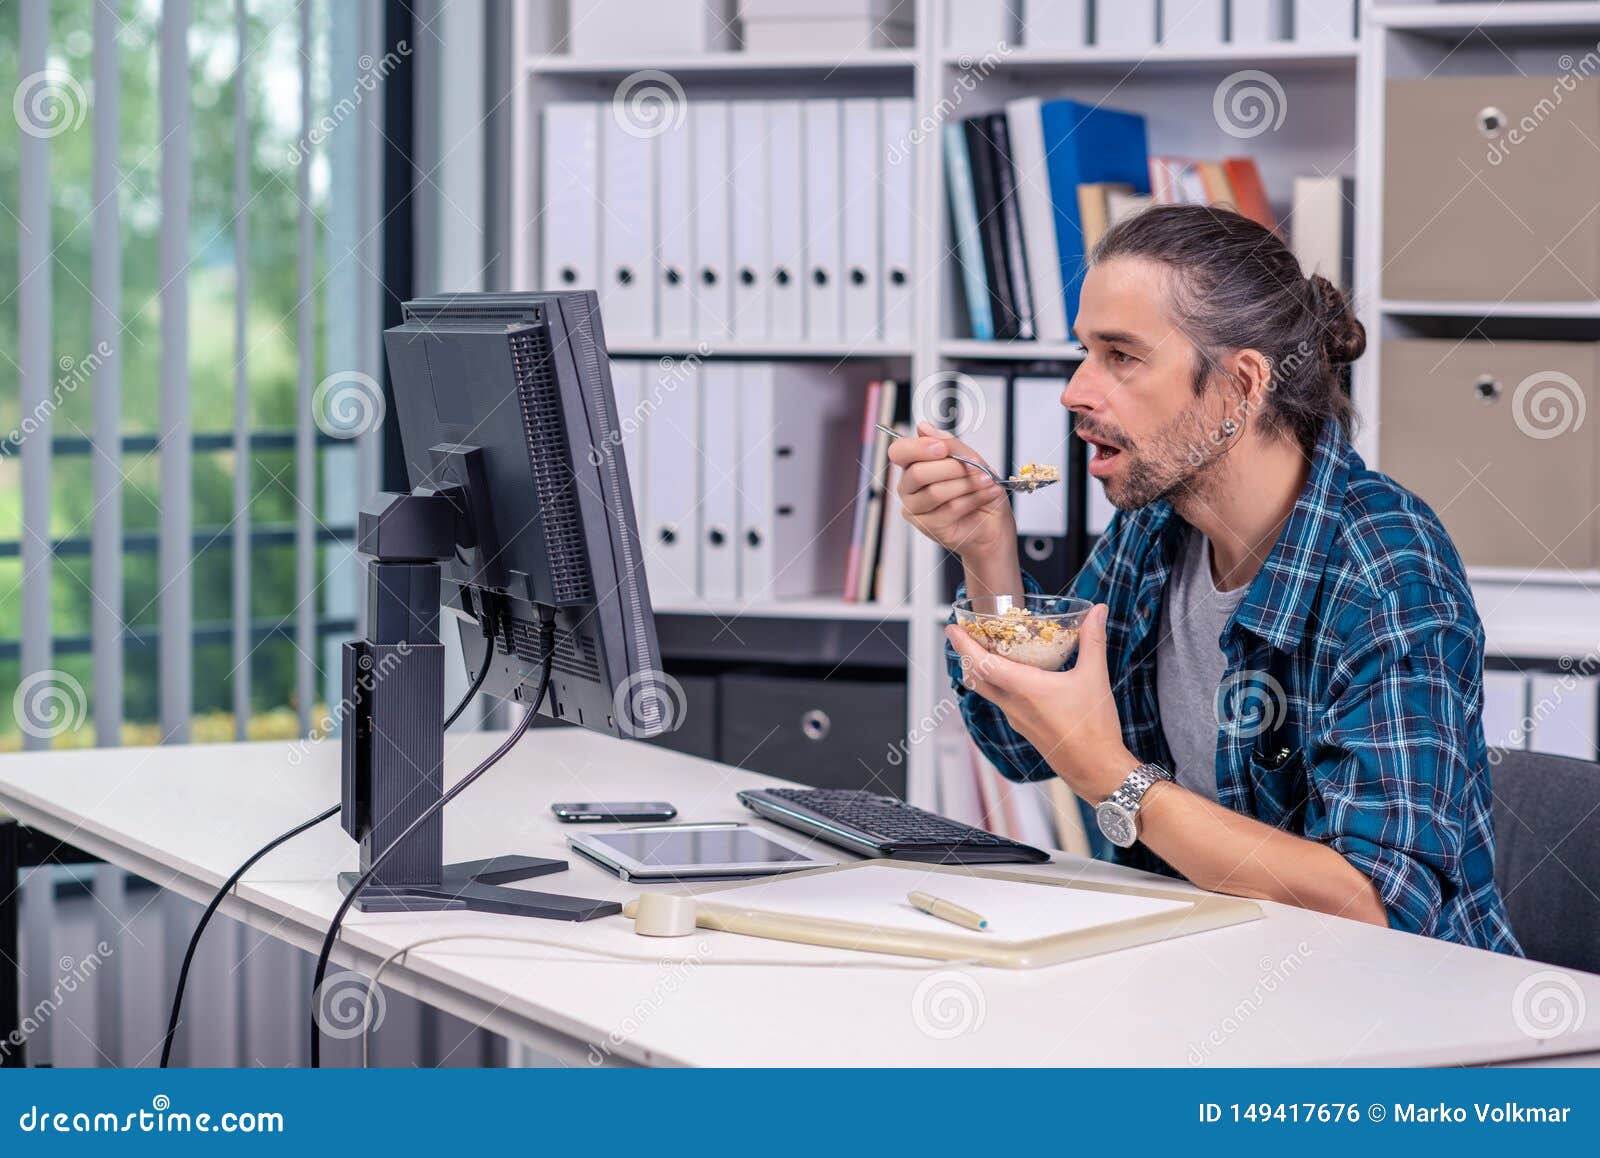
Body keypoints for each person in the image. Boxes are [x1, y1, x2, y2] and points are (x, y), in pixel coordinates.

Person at [891, 204, 1519, 953]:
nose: (1075, 392)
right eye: (1084, 352)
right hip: (1206, 975)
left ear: (1240, 386)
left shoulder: (1388, 572)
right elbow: (1022, 744)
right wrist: (986, 548)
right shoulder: (1156, 528)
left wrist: (1114, 779)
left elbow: (1377, 910)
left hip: (1405, 1029)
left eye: (1121, 356)